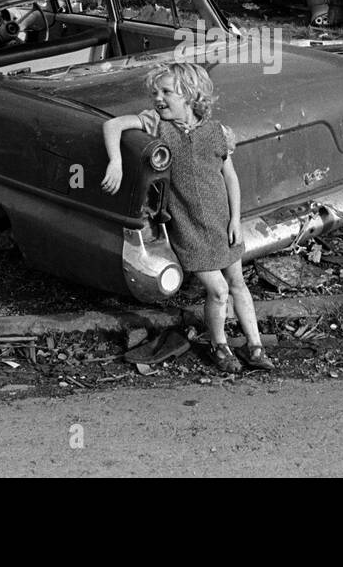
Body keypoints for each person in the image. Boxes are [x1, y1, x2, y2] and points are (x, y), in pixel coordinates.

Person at [101, 62, 274, 373]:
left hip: (222, 223)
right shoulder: (157, 124)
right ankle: (219, 346)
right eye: (155, 92)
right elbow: (112, 126)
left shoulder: (217, 132)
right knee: (218, 290)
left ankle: (255, 345)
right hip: (189, 227)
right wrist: (116, 162)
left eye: (167, 91)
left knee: (238, 283)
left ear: (191, 94)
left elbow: (230, 177)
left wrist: (236, 220)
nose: (158, 98)